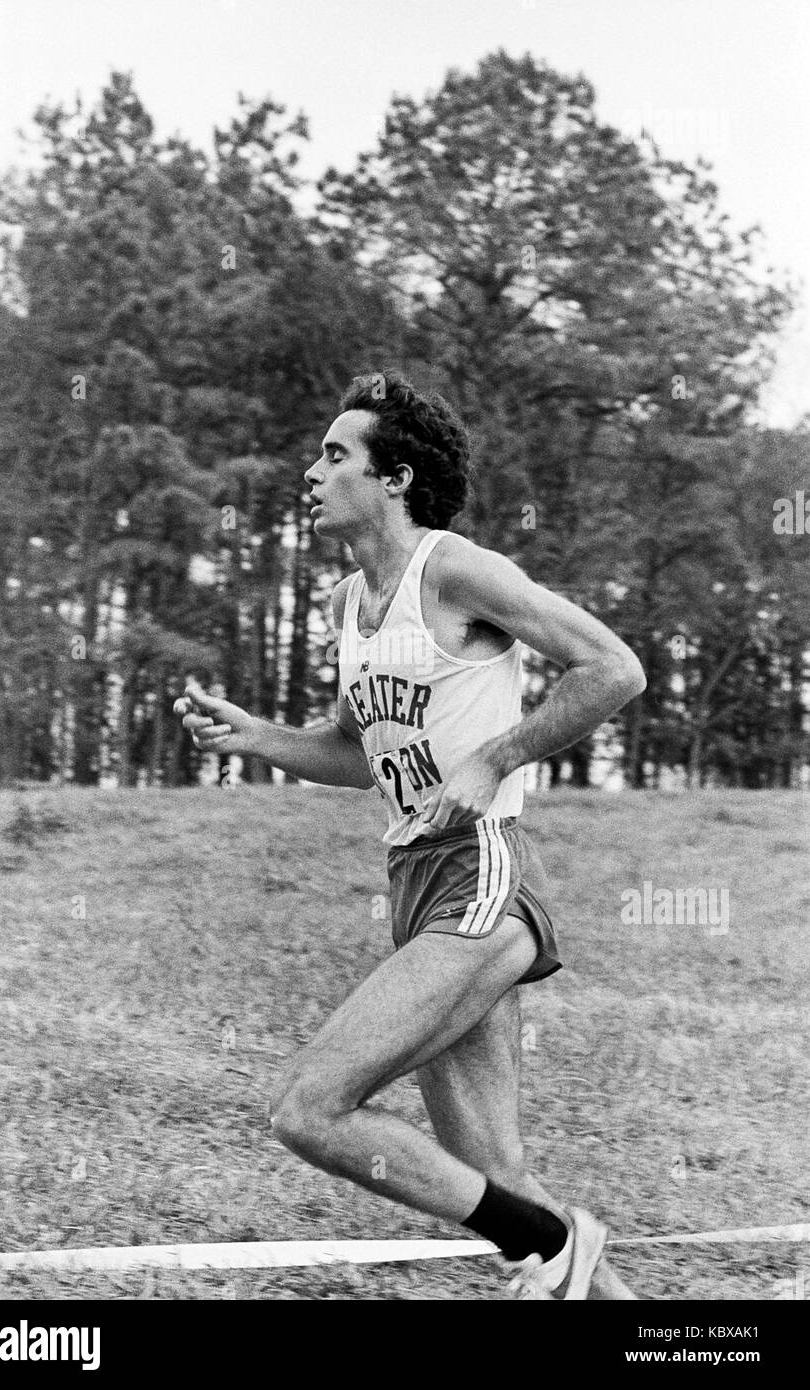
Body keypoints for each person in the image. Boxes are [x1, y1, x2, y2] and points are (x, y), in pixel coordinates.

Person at [175, 370, 646, 1299]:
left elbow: (613, 668)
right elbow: (361, 752)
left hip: (484, 876)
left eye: (334, 454)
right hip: (414, 881)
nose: (311, 471)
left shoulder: (456, 569)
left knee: (308, 1109)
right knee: (496, 1180)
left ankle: (555, 1235)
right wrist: (256, 736)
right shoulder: (352, 604)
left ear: (393, 478)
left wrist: (493, 760)